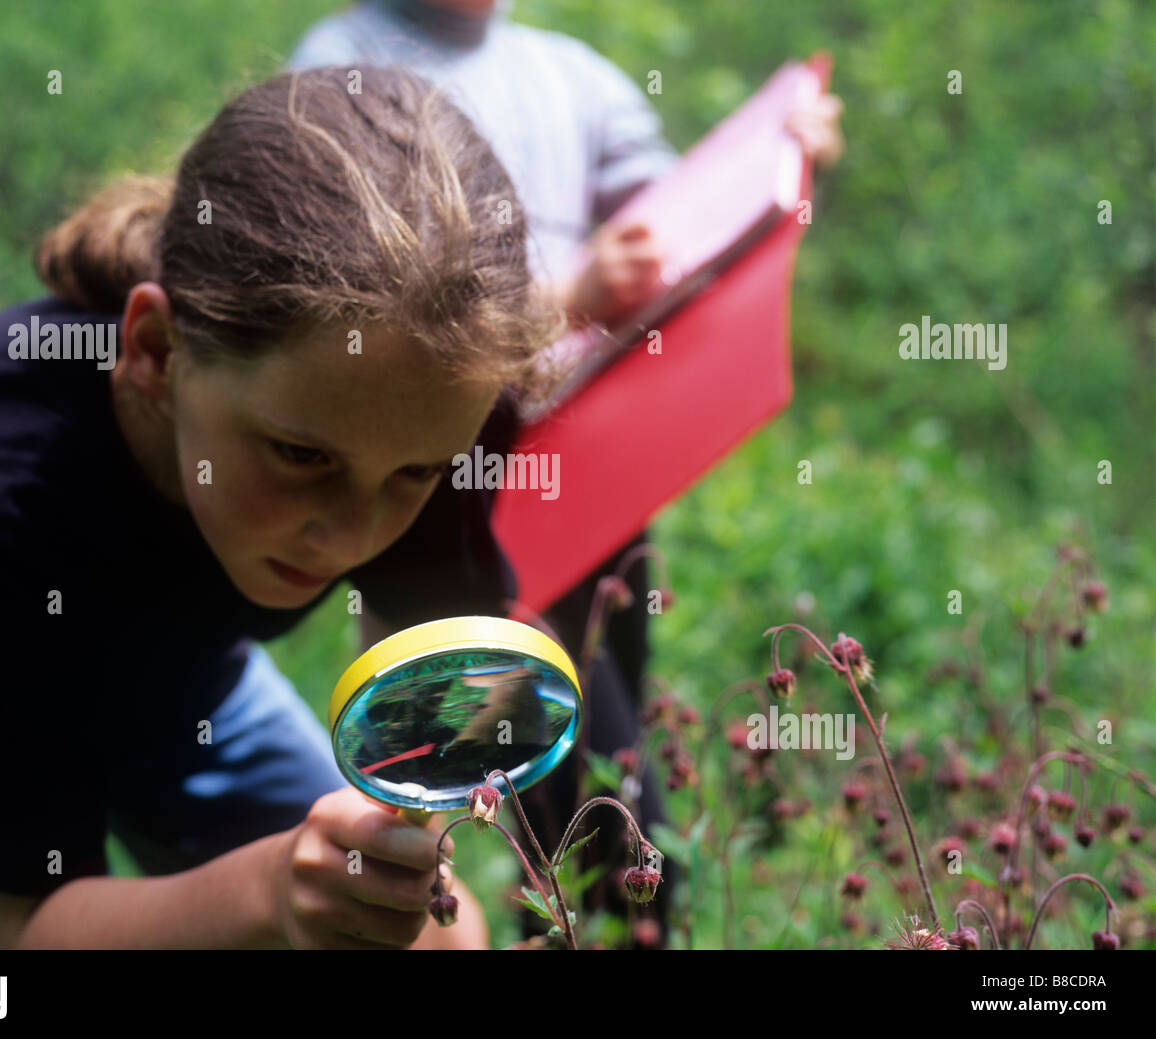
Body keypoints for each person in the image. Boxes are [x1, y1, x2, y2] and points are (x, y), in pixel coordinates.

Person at [0, 66, 569, 950]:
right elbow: (28, 931)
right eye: (301, 456)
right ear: (155, 352)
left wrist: (409, 835)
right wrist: (273, 892)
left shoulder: (437, 384)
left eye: (417, 474)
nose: (353, 533)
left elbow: (428, 678)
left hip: (183, 686)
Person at [287, 0, 843, 945]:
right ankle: (605, 919)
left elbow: (694, 224)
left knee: (601, 749)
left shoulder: (576, 76)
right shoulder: (341, 62)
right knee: (558, 781)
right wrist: (568, 291)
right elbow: (345, 296)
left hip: (595, 483)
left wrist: (785, 163)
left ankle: (573, 922)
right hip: (447, 501)